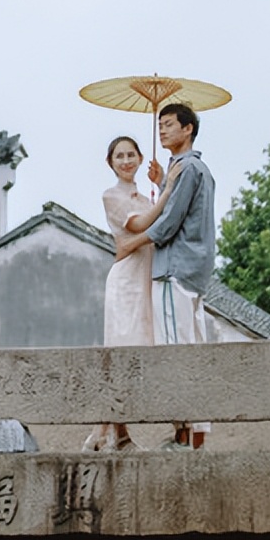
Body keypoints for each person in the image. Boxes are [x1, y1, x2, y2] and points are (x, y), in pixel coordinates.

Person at [119, 102, 216, 450]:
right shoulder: (189, 169)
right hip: (192, 270)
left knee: (174, 350)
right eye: (160, 125)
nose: (162, 130)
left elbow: (169, 222)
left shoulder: (188, 168)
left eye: (170, 124)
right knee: (192, 348)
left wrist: (133, 243)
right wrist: (162, 184)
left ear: (188, 129)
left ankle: (183, 433)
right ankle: (196, 436)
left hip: (174, 268)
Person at [82, 135, 183, 452]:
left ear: (141, 159)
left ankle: (109, 432)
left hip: (148, 278)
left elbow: (163, 225)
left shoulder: (147, 195)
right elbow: (139, 225)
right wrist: (167, 190)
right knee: (123, 349)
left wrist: (160, 185)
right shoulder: (112, 196)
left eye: (131, 155)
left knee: (148, 346)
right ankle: (113, 430)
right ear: (111, 163)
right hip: (127, 281)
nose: (126, 161)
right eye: (119, 156)